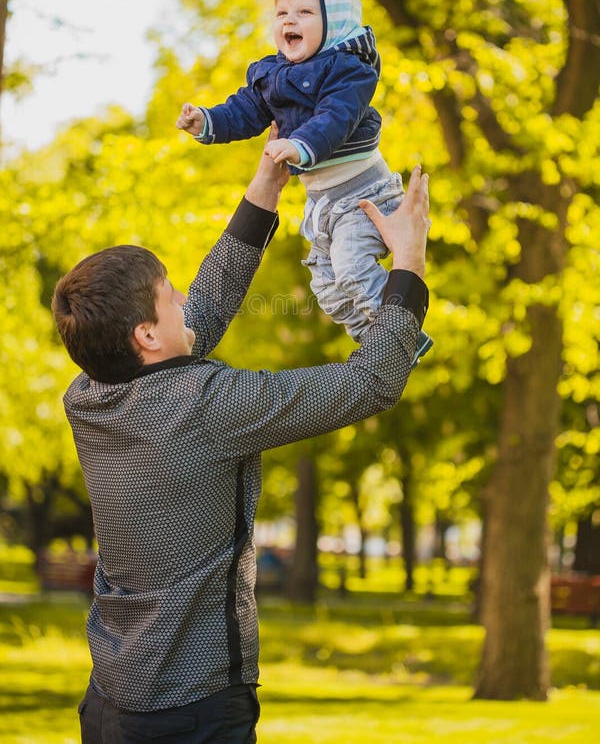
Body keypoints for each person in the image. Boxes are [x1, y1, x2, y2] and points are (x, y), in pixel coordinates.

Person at [52, 141, 430, 743]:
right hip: (191, 710)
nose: (183, 300)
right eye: (168, 295)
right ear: (146, 334)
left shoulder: (89, 392)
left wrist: (265, 190)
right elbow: (372, 381)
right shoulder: (205, 406)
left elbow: (198, 317)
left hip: (110, 702)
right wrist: (407, 261)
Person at [176, 0, 433, 365]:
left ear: (335, 22)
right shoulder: (271, 73)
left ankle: (403, 335)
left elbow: (336, 117)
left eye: (305, 13)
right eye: (282, 14)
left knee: (350, 267)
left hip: (363, 193)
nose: (289, 21)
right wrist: (206, 122)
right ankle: (379, 347)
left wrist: (299, 146)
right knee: (327, 288)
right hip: (322, 203)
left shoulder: (349, 69)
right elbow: (244, 109)